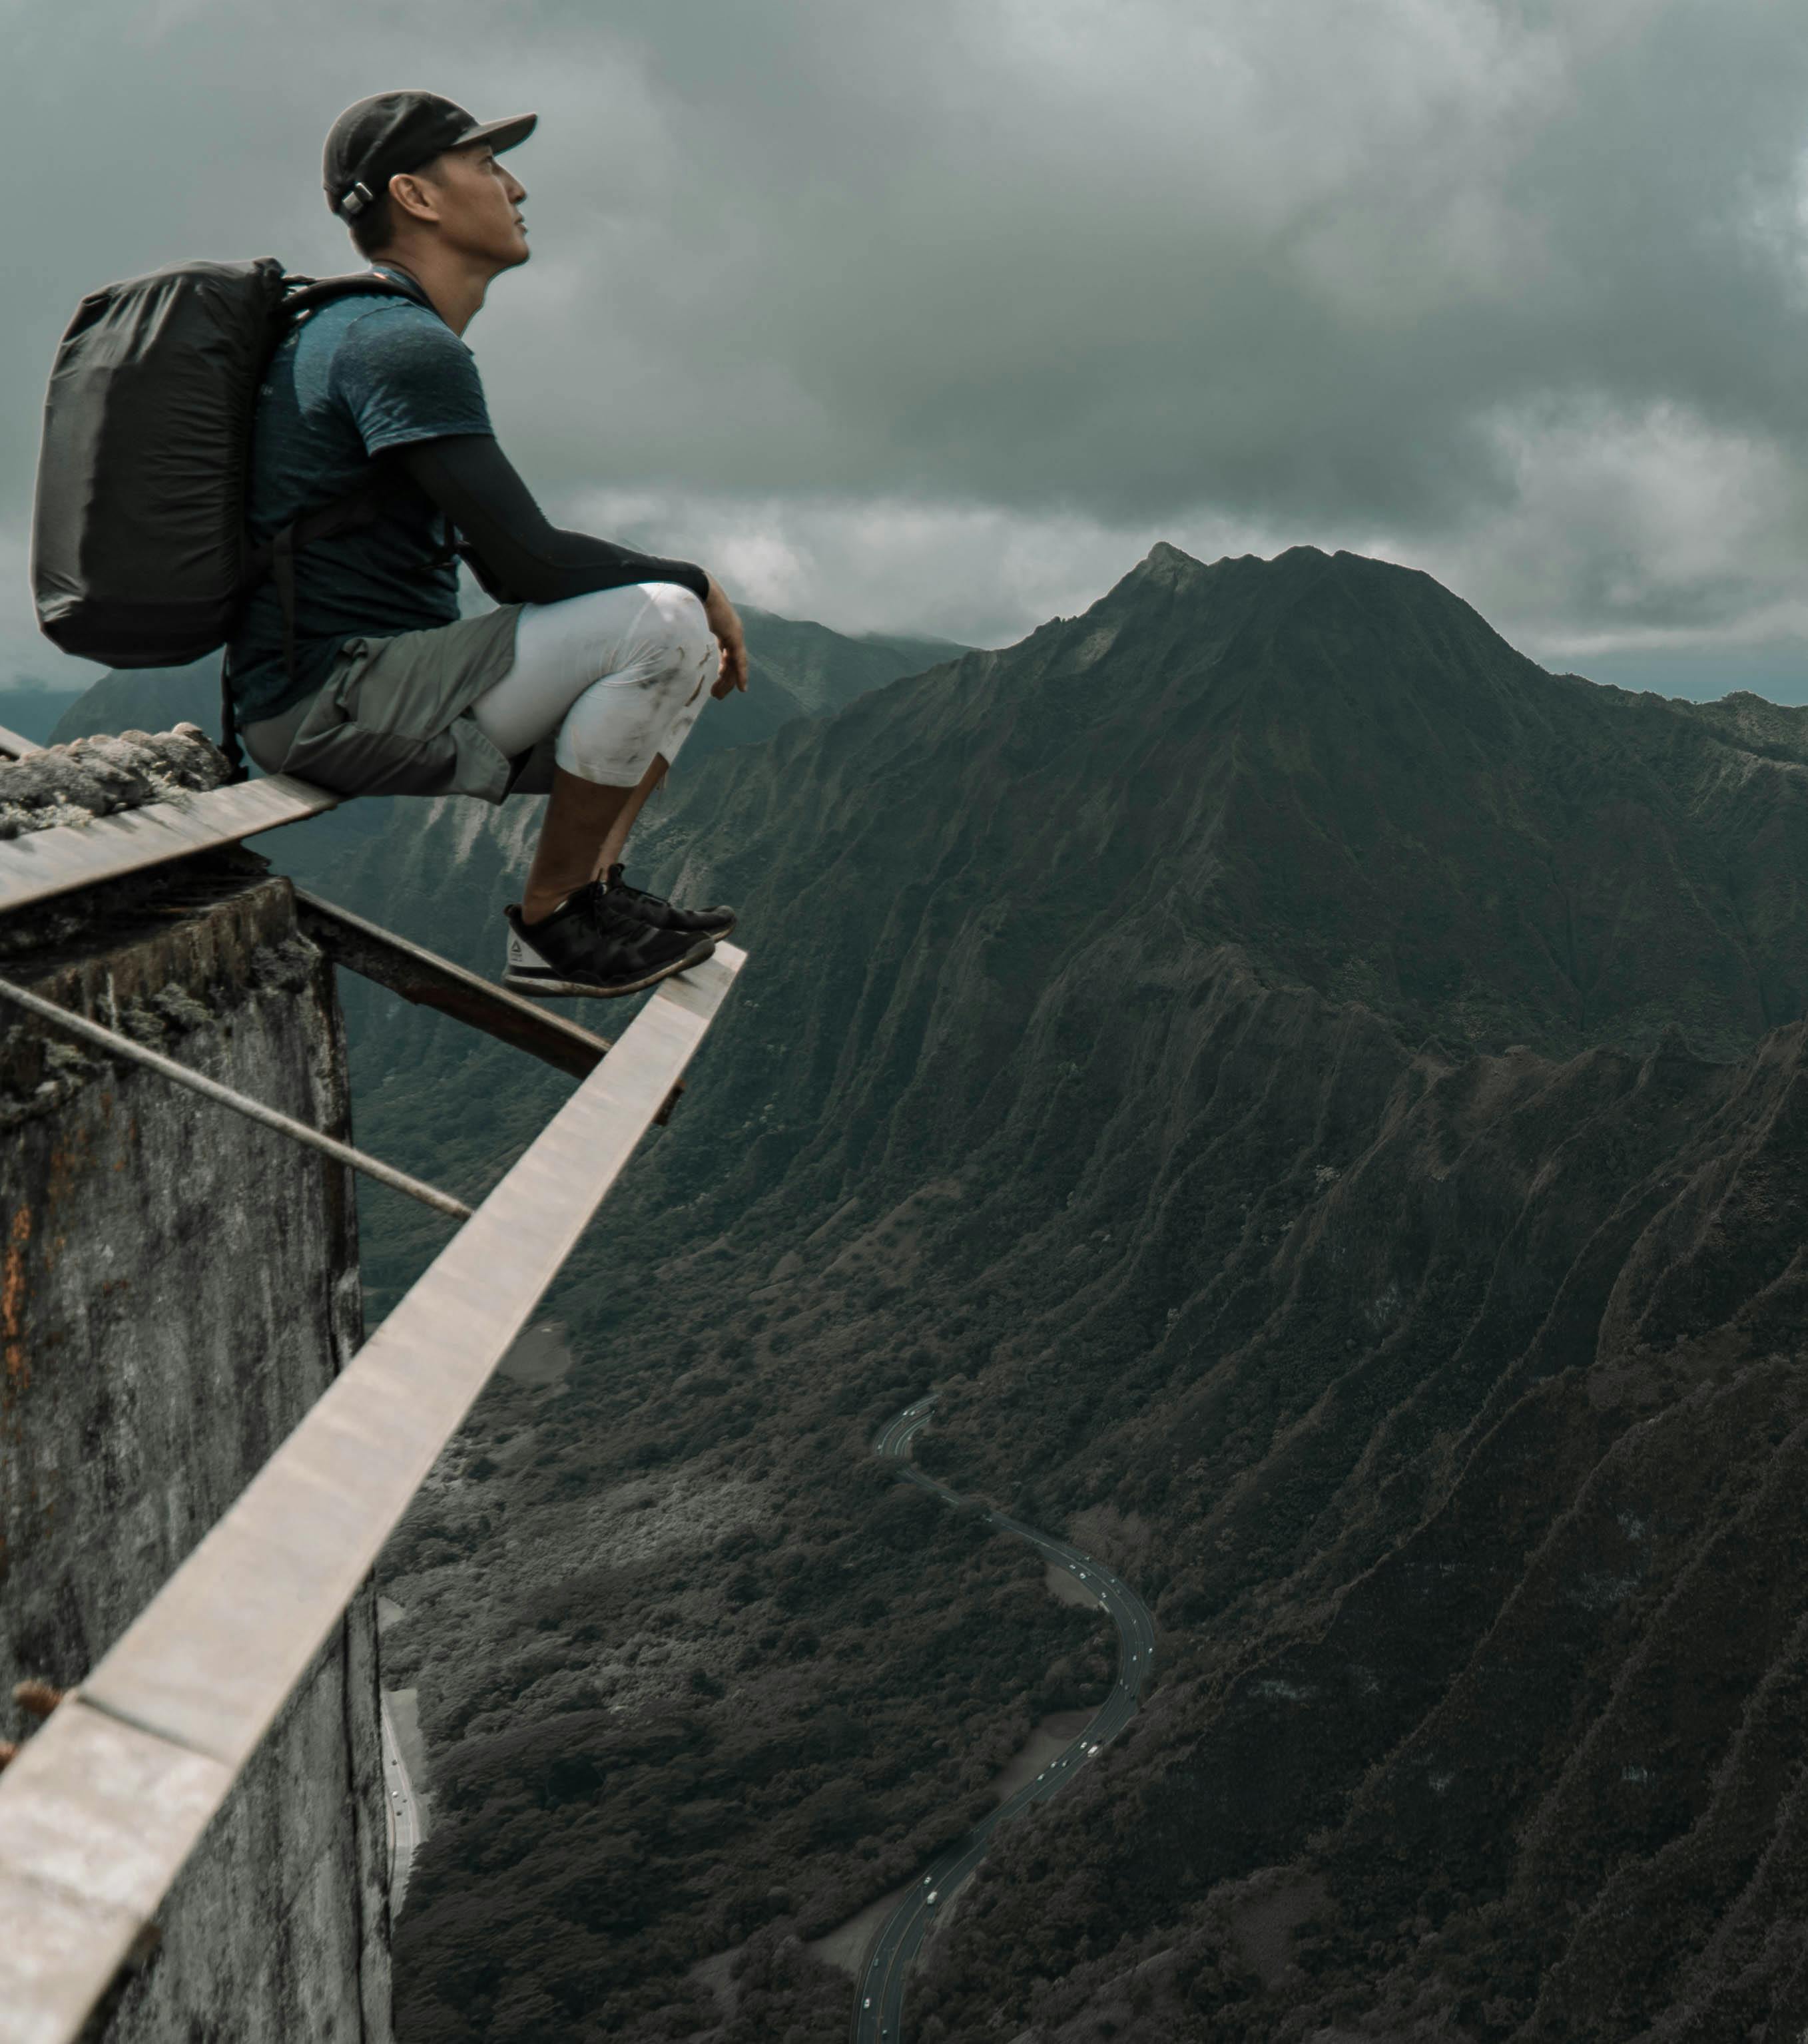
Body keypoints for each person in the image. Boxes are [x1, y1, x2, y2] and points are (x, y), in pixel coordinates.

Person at [233, 91, 745, 998]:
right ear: (416, 197)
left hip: (365, 682)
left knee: (684, 643)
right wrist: (699, 581)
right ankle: (552, 925)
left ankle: (593, 893)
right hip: (331, 695)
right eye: (485, 165)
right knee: (666, 622)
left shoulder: (367, 330)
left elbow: (500, 555)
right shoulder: (393, 343)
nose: (514, 186)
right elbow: (528, 565)